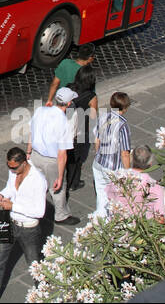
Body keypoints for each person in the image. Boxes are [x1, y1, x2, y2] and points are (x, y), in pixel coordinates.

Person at [0, 147, 48, 303]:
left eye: (14, 167)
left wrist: (13, 206)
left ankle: (44, 296)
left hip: (29, 230)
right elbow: (10, 188)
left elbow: (39, 211)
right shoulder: (13, 172)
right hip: (10, 224)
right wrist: (3, 194)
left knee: (35, 266)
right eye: (9, 167)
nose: (11, 170)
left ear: (24, 162)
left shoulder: (38, 180)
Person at [28, 88, 78, 225]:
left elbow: (31, 132)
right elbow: (62, 154)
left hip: (35, 156)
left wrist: (28, 153)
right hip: (51, 161)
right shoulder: (64, 123)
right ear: (68, 104)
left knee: (37, 185)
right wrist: (61, 176)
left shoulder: (40, 111)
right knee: (57, 189)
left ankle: (33, 211)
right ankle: (61, 215)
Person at [90, 91, 133, 219]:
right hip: (113, 167)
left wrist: (98, 154)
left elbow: (96, 140)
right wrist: (127, 173)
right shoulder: (122, 125)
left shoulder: (103, 117)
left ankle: (100, 220)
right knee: (117, 198)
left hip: (99, 163)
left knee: (101, 194)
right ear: (125, 108)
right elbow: (125, 153)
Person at [107, 145, 165, 221]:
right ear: (150, 163)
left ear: (131, 158)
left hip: (119, 226)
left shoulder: (118, 179)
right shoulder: (155, 187)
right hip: (143, 229)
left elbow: (109, 198)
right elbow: (159, 218)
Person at [64, 64, 98, 193]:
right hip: (80, 131)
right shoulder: (91, 96)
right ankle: (73, 183)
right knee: (76, 159)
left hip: (65, 127)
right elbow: (93, 116)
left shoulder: (68, 87)